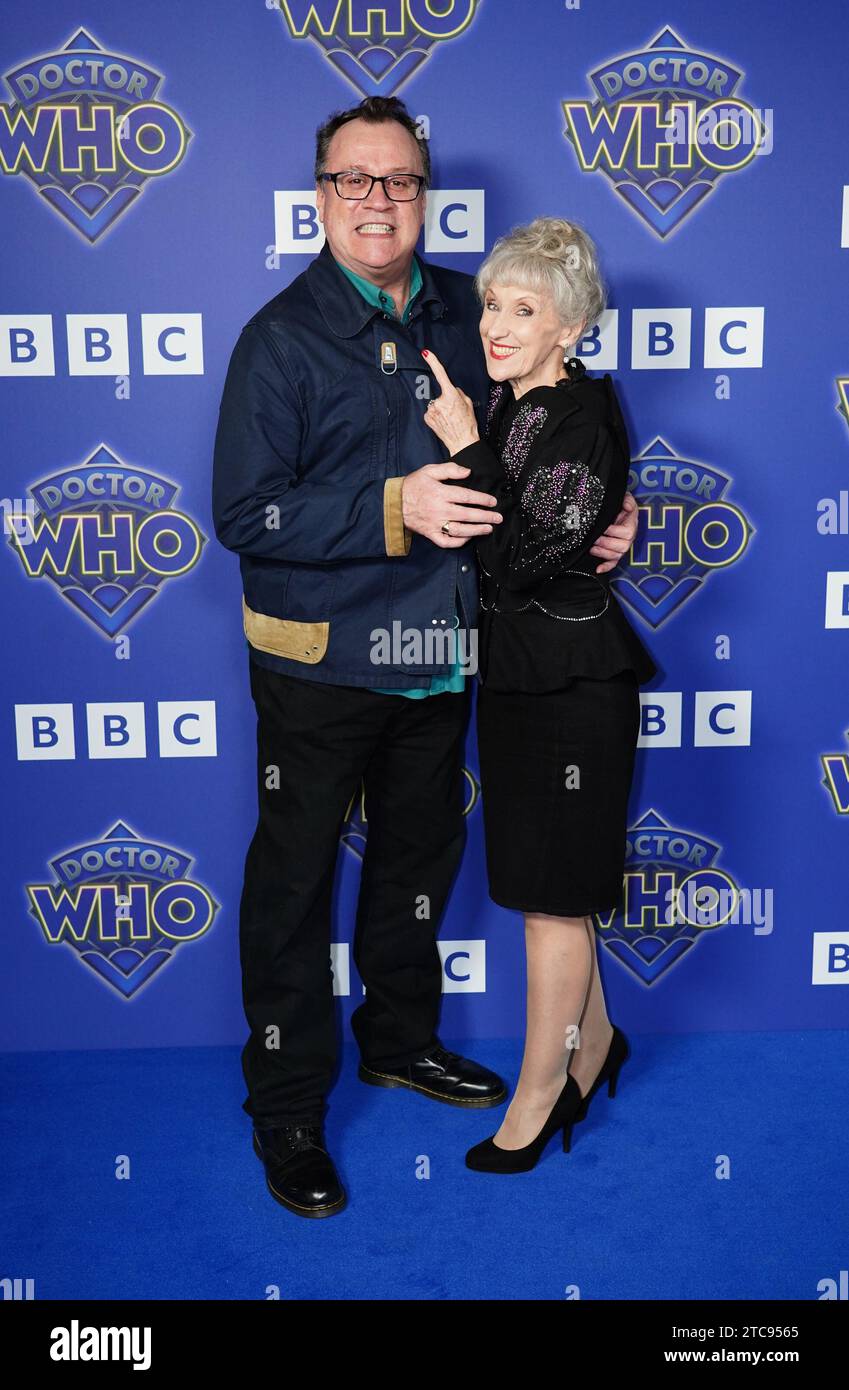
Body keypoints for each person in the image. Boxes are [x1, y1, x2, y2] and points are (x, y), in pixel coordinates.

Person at [212, 97, 639, 1217]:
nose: (377, 201)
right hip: (316, 663)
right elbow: (245, 515)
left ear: (423, 193)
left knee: (413, 873)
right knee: (296, 887)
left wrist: (608, 508)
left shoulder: (475, 308)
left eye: (397, 180)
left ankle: (400, 1041)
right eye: (354, 180)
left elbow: (555, 434)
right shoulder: (279, 339)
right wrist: (394, 505)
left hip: (445, 655)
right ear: (320, 196)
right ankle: (289, 1105)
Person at [420, 216, 657, 1174]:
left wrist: (466, 444)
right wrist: (477, 432)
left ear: (571, 327)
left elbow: (519, 559)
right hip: (516, 678)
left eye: (524, 308)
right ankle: (596, 1044)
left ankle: (542, 1091)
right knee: (540, 887)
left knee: (552, 904)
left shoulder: (578, 412)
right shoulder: (508, 405)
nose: (497, 323)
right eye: (490, 304)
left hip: (572, 684)